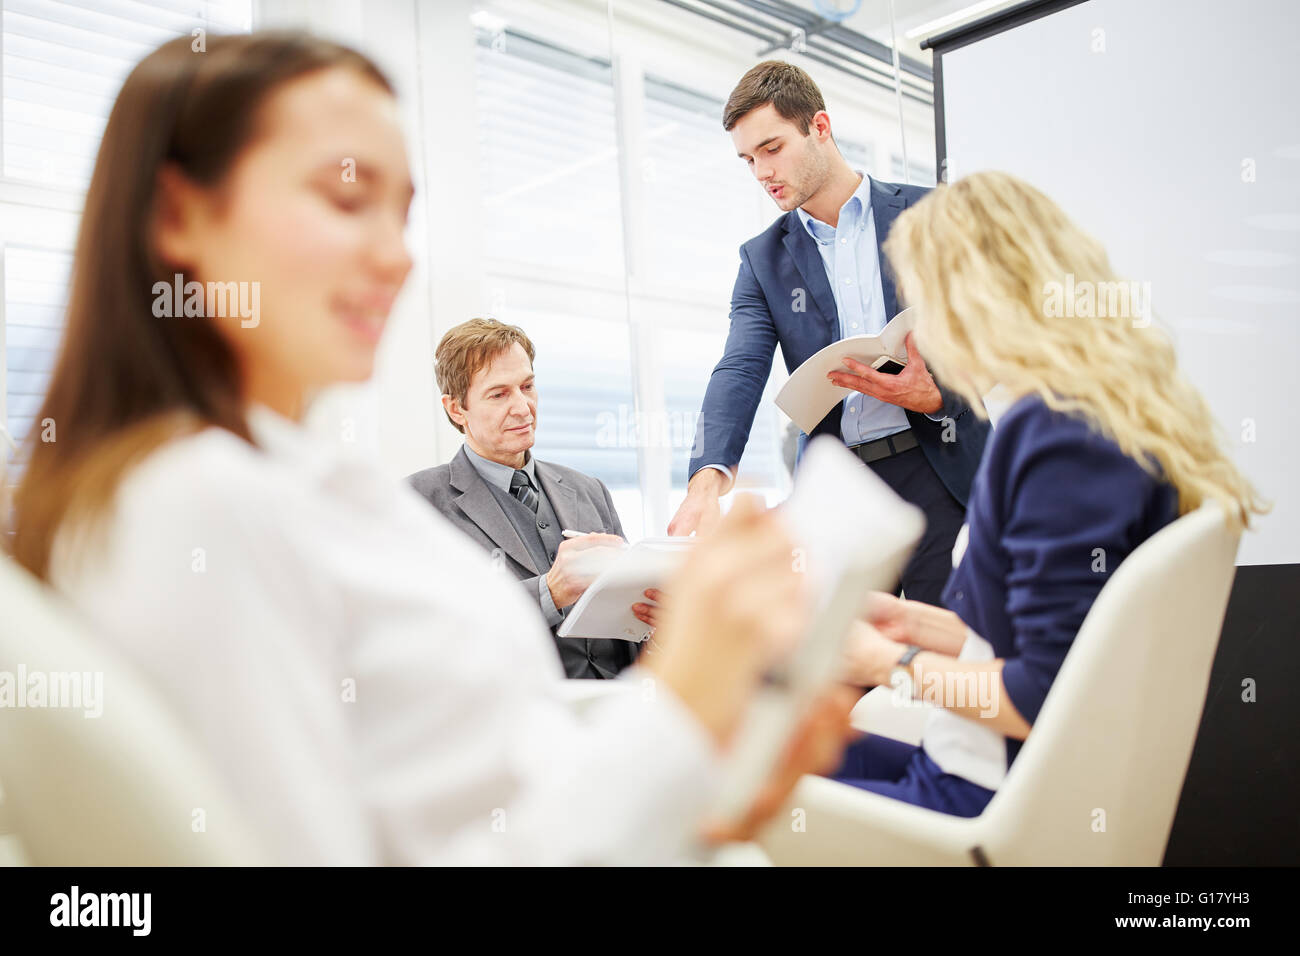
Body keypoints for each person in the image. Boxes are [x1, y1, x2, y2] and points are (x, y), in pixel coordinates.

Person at [7, 31, 854, 865]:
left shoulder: (293, 478)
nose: (395, 256)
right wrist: (683, 720)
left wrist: (703, 757)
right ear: (181, 215)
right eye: (345, 200)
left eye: (403, 212)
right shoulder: (198, 507)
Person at [831, 171, 1266, 817]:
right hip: (995, 772)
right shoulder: (1105, 412)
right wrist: (910, 623)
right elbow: (1056, 645)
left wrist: (889, 662)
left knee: (726, 792)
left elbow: (1042, 696)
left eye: (923, 309)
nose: (918, 341)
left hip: (977, 796)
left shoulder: (1058, 433)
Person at [668, 61, 989, 609]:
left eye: (772, 148)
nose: (762, 173)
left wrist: (937, 395)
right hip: (842, 490)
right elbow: (740, 367)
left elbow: (987, 337)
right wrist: (706, 478)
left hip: (941, 463)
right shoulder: (761, 259)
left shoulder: (928, 214)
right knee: (847, 669)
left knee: (950, 660)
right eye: (748, 160)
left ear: (820, 127)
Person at [408, 318, 639, 680]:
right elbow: (431, 632)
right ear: (456, 409)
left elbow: (628, 628)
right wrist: (549, 592)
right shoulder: (418, 504)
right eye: (499, 394)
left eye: (527, 386)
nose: (522, 407)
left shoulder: (589, 490)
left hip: (616, 715)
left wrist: (651, 620)